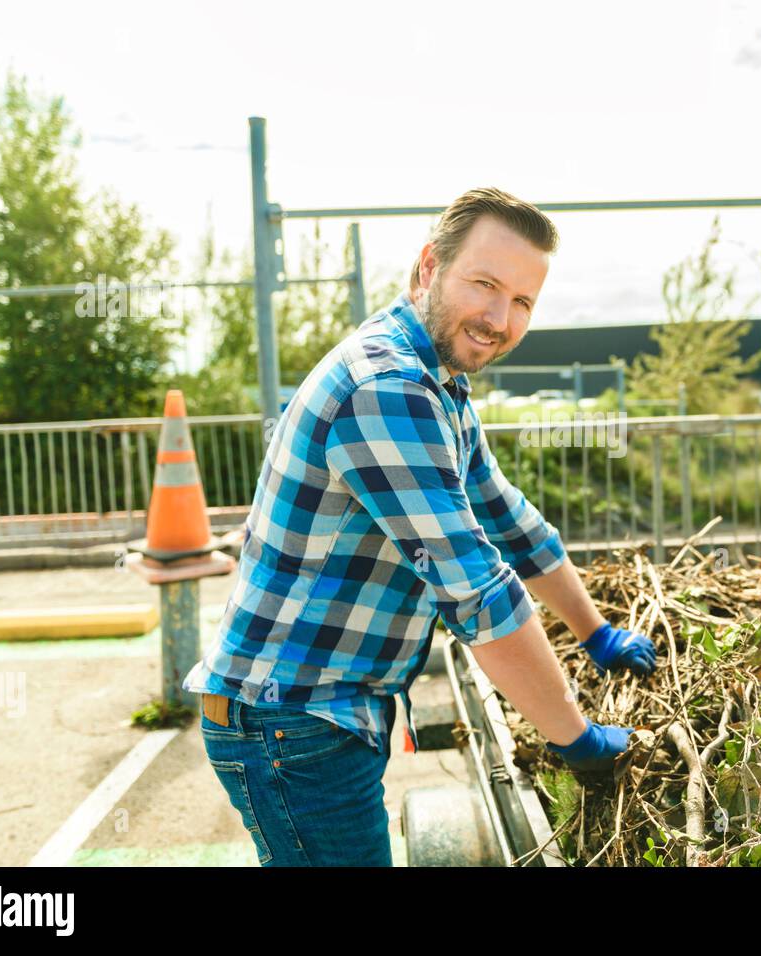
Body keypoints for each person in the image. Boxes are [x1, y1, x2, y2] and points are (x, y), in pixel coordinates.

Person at [184, 187, 657, 866]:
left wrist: (598, 633)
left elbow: (509, 521)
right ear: (429, 267)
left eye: (523, 301)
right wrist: (575, 738)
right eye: (485, 284)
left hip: (317, 714)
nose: (500, 318)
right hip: (290, 721)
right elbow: (477, 592)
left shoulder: (436, 382)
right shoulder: (387, 389)